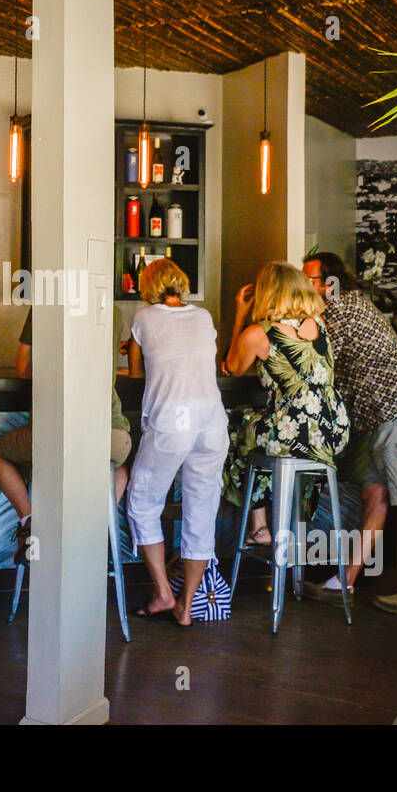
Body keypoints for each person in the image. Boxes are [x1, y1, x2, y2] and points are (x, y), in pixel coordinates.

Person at [300, 252, 397, 614]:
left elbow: (316, 357)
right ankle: (343, 582)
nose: (304, 287)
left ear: (329, 283)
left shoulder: (341, 309)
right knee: (375, 496)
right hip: (382, 414)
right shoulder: (347, 306)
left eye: (308, 280)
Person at [0, 306, 132, 564]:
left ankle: (31, 525)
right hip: (112, 434)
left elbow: (23, 367)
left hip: (60, 433)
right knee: (117, 468)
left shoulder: (46, 304)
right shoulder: (111, 307)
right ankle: (94, 532)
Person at [126, 258, 228, 626]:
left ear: (147, 285)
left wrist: (131, 350)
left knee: (142, 501)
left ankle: (164, 592)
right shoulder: (203, 317)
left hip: (174, 421)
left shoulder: (142, 317)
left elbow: (136, 373)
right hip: (211, 421)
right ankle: (186, 606)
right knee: (201, 509)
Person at [221, 262, 350, 551]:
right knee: (260, 430)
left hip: (291, 431)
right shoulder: (319, 325)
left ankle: (260, 526)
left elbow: (232, 367)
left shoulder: (258, 333)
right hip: (332, 428)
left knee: (238, 425)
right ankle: (295, 523)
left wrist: (240, 315)